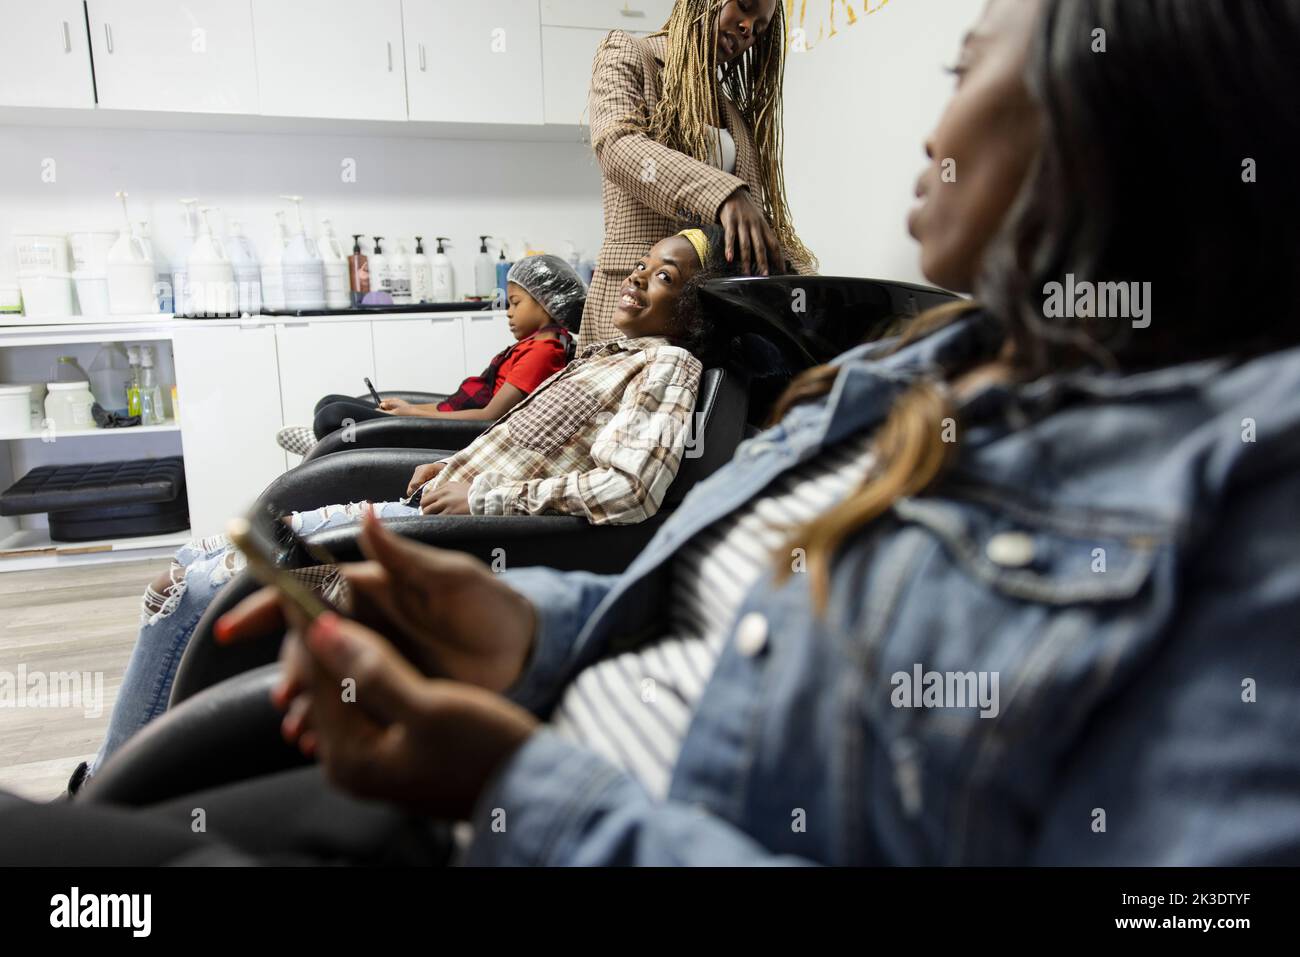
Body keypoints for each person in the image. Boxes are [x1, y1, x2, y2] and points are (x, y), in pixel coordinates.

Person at [10, 0, 1300, 867]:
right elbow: (704, 624)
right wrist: (532, 632)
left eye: (966, 71)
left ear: (1124, 114)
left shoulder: (1247, 494)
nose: (927, 127)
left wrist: (521, 785)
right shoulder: (921, 377)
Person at [73, 227, 741, 790]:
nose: (636, 278)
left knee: (194, 586)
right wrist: (452, 465)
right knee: (186, 565)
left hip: (461, 537)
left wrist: (479, 493)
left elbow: (628, 490)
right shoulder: (605, 358)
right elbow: (521, 442)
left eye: (665, 277)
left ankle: (107, 798)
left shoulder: (668, 368)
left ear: (694, 310)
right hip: (434, 505)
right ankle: (117, 781)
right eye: (643, 264)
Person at [579, 0, 817, 348]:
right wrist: (723, 195)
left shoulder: (735, 117)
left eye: (759, 29)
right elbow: (618, 146)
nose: (748, 29)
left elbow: (752, 231)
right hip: (636, 307)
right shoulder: (630, 54)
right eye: (744, 6)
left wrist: (817, 292)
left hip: (708, 320)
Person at [276, 255, 585, 457]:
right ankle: (323, 447)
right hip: (456, 424)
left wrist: (412, 416)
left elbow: (490, 417)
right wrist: (411, 407)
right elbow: (460, 402)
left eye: (515, 303)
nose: (508, 312)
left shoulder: (544, 353)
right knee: (329, 405)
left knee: (332, 416)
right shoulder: (531, 346)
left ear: (547, 302)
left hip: (466, 438)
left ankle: (321, 450)